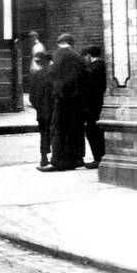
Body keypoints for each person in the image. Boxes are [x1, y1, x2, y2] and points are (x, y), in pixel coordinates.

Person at [40, 33, 87, 172]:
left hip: (62, 98)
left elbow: (51, 73)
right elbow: (84, 76)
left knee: (58, 129)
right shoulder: (78, 57)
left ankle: (57, 161)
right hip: (77, 100)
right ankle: (76, 159)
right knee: (75, 129)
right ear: (72, 44)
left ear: (60, 43)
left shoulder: (59, 54)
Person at [27, 52, 54, 168]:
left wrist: (39, 107)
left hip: (42, 112)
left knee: (44, 135)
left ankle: (44, 158)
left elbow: (31, 97)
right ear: (48, 62)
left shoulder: (36, 75)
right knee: (55, 135)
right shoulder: (53, 74)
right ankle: (55, 158)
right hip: (53, 110)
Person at [83, 46, 107, 168]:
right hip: (97, 104)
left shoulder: (95, 68)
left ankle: (98, 158)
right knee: (94, 131)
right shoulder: (103, 66)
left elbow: (89, 86)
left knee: (92, 131)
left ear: (88, 55)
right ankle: (99, 157)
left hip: (94, 105)